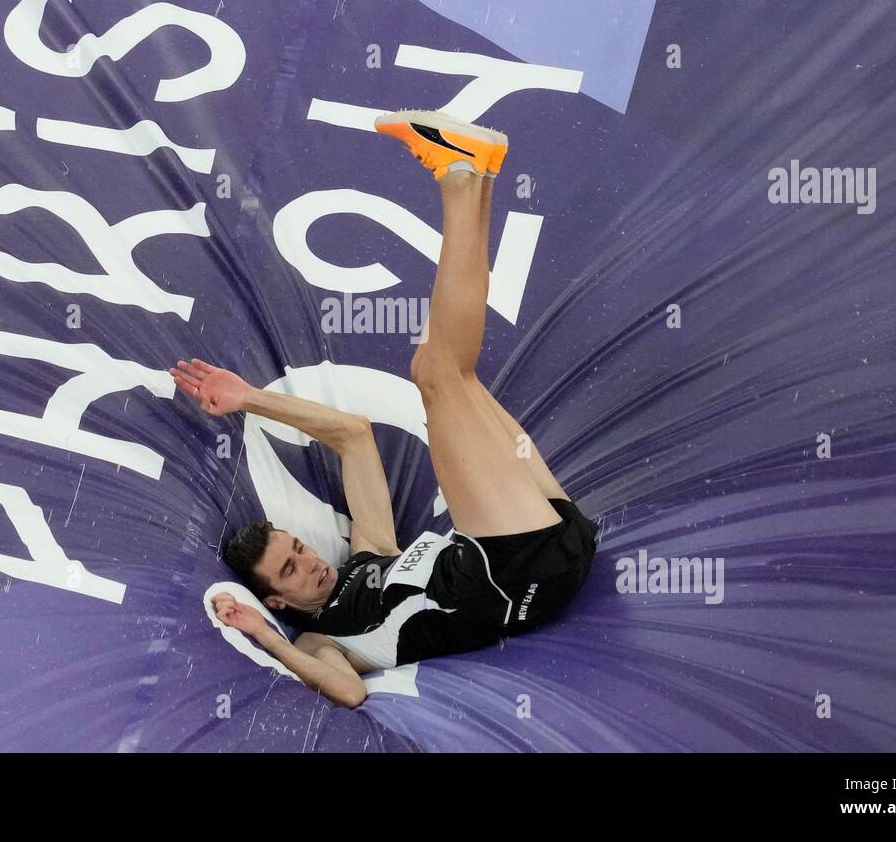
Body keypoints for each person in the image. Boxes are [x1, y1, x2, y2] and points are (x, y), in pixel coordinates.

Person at [169, 110, 599, 709]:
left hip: (547, 534)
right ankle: (458, 175)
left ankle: (480, 178)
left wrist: (248, 399)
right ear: (278, 601)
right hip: (517, 578)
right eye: (290, 572)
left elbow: (352, 435)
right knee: (435, 374)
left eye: (298, 549)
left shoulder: (367, 552)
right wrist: (266, 638)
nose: (309, 563)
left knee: (450, 370)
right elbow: (348, 693)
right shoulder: (326, 637)